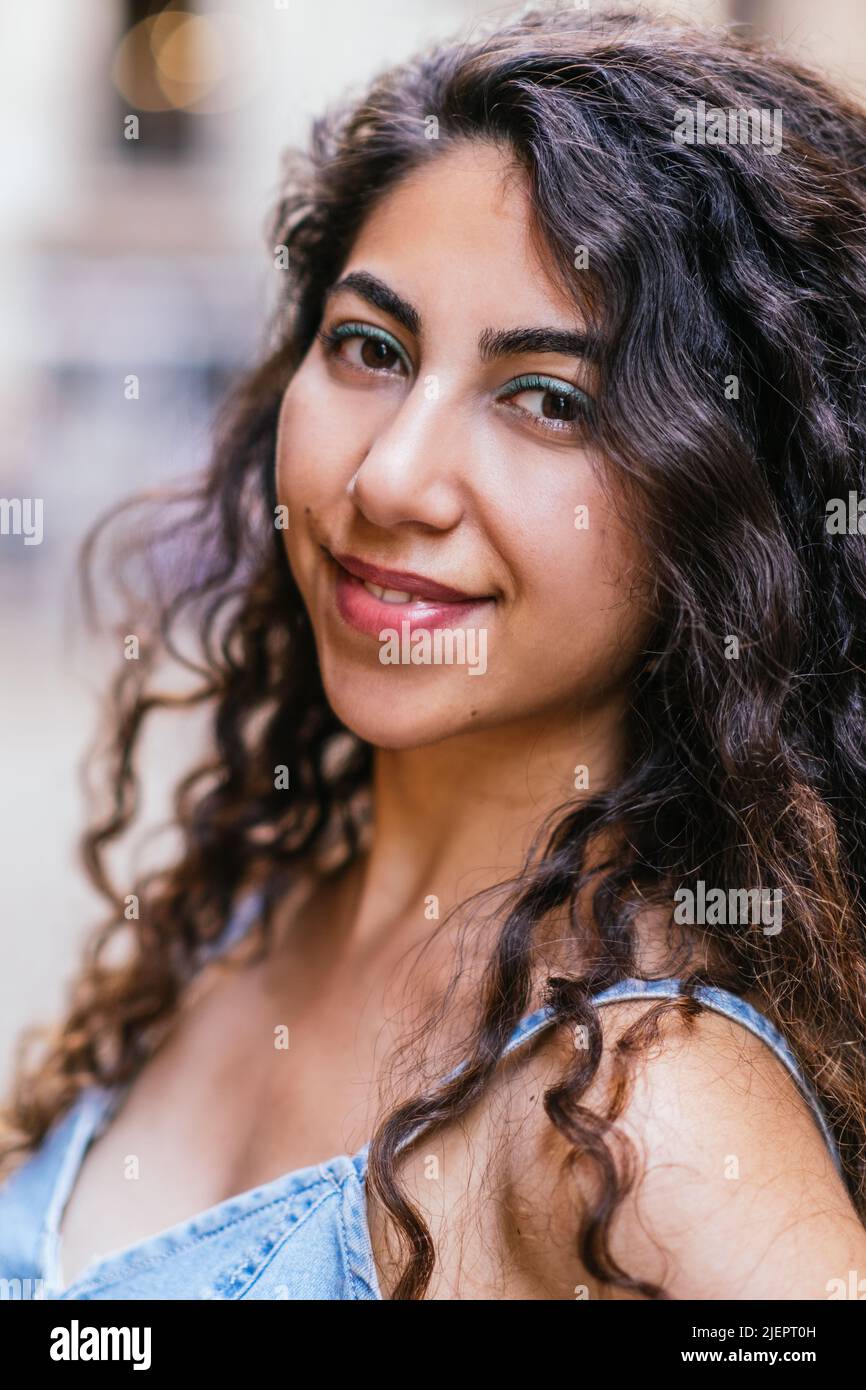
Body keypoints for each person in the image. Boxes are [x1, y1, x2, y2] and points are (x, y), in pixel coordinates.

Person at [2, 5, 866, 1301]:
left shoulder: (641, 1116)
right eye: (370, 348)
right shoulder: (250, 907)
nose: (392, 475)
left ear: (725, 508)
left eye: (549, 399)